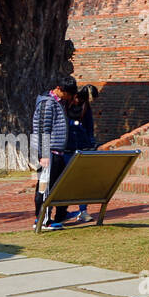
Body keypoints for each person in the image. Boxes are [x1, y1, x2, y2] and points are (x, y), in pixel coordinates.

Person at [31, 76, 76, 230]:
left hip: (57, 151)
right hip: (48, 151)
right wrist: (43, 155)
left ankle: (57, 215)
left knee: (57, 185)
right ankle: (43, 220)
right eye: (68, 94)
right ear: (60, 89)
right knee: (45, 187)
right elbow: (43, 130)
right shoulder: (48, 103)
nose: (69, 98)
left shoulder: (58, 102)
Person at [65, 84, 100, 224]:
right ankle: (62, 211)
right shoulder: (65, 105)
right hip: (66, 147)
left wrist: (91, 144)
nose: (79, 101)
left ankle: (83, 210)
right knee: (65, 179)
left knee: (82, 179)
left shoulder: (85, 108)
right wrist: (73, 124)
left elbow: (89, 126)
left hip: (81, 145)